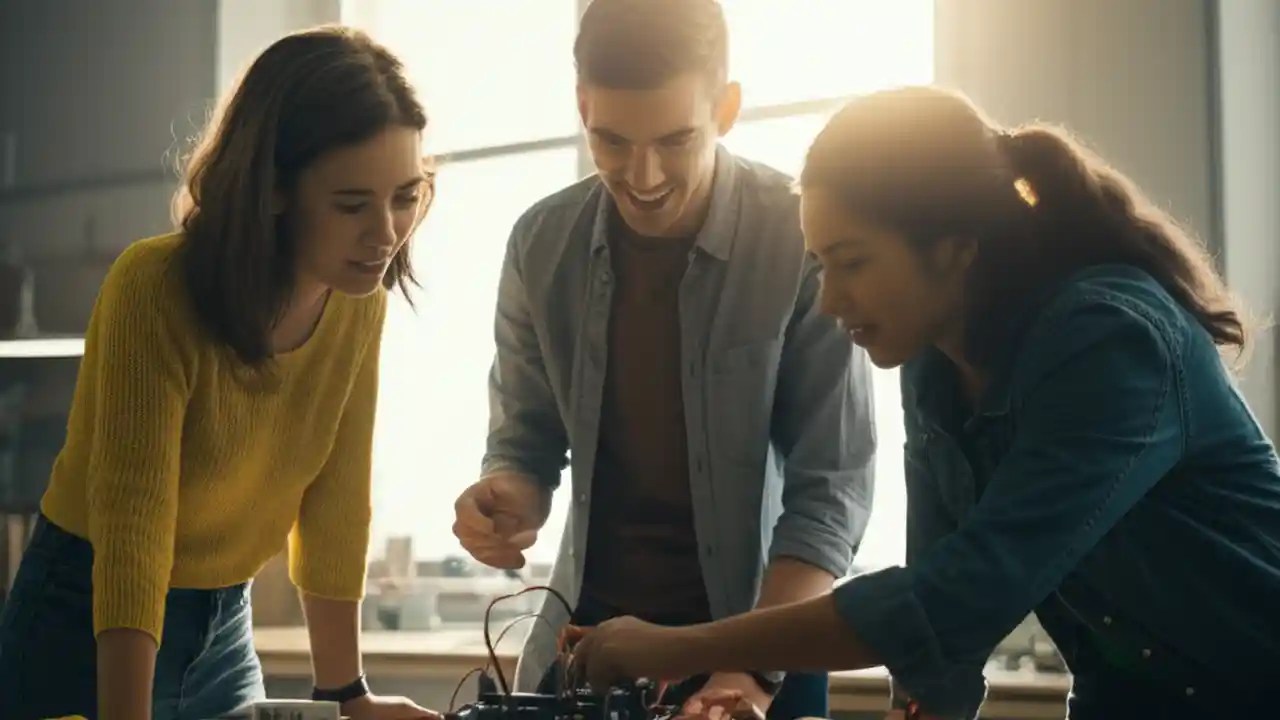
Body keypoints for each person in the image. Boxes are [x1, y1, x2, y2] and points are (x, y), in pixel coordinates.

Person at [567, 86, 1280, 719]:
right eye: (820, 266)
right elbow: (936, 645)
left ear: (954, 248)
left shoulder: (1108, 337)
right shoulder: (932, 364)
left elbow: (949, 600)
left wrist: (665, 648)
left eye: (852, 263)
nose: (830, 299)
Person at [450, 1, 875, 718]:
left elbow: (829, 490)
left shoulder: (802, 235)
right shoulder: (538, 243)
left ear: (727, 107)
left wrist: (747, 669)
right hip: (586, 648)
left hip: (761, 647)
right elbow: (525, 440)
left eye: (675, 140)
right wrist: (506, 498)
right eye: (610, 140)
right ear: (582, 105)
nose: (642, 176)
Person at [0, 26, 440, 720]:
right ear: (272, 190)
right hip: (88, 618)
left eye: (405, 196)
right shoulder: (154, 287)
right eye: (352, 204)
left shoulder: (360, 306)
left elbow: (336, 502)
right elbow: (135, 529)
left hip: (223, 624)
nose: (385, 233)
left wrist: (344, 693)